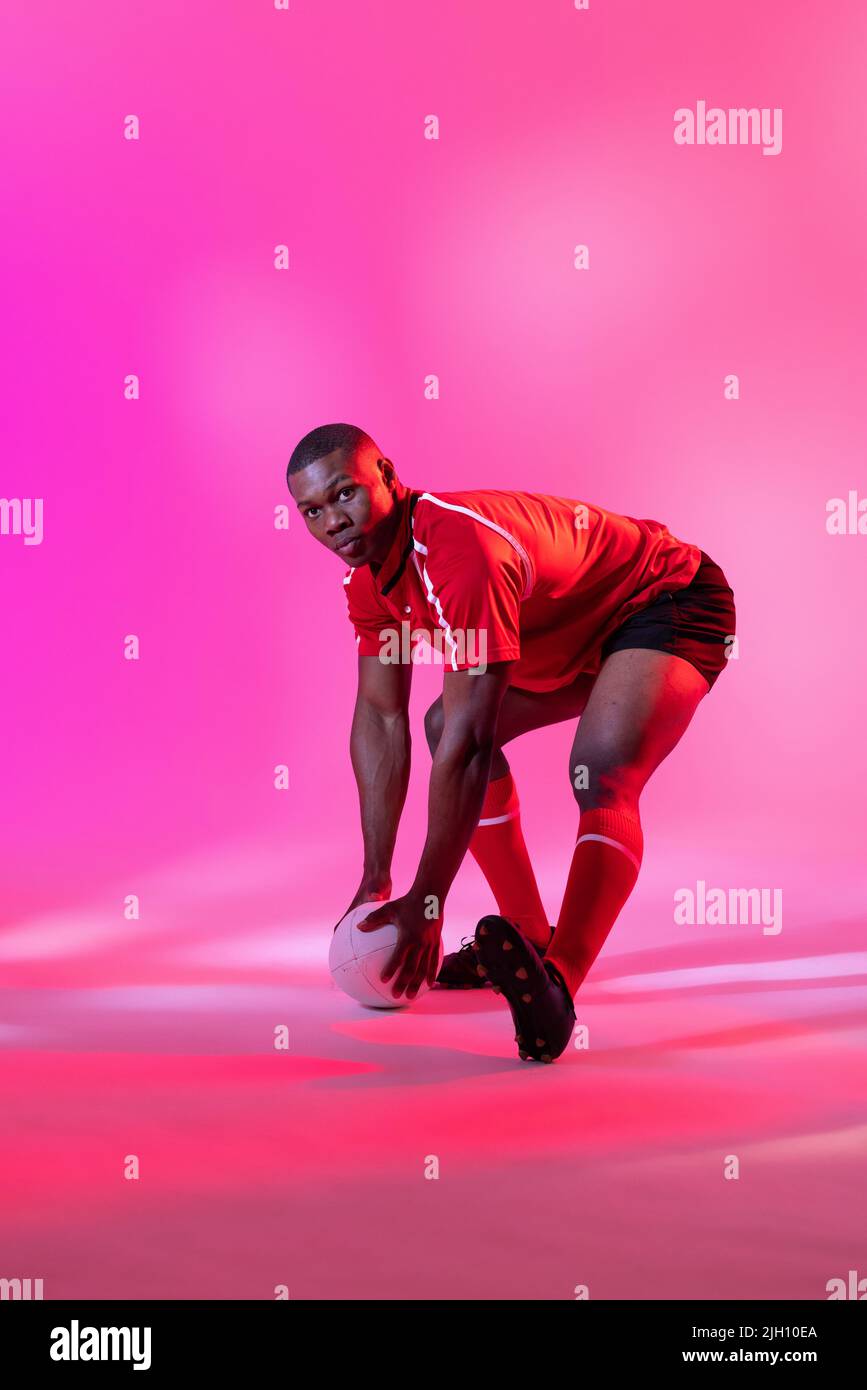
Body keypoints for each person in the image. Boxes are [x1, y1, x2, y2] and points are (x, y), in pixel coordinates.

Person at [287, 423, 736, 1063]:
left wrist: (429, 900)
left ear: (386, 476)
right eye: (313, 510)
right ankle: (526, 929)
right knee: (440, 722)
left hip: (663, 602)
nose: (333, 520)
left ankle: (558, 983)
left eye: (345, 494)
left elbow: (472, 745)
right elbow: (382, 718)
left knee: (601, 770)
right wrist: (377, 879)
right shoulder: (369, 588)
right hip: (568, 638)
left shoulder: (458, 551)